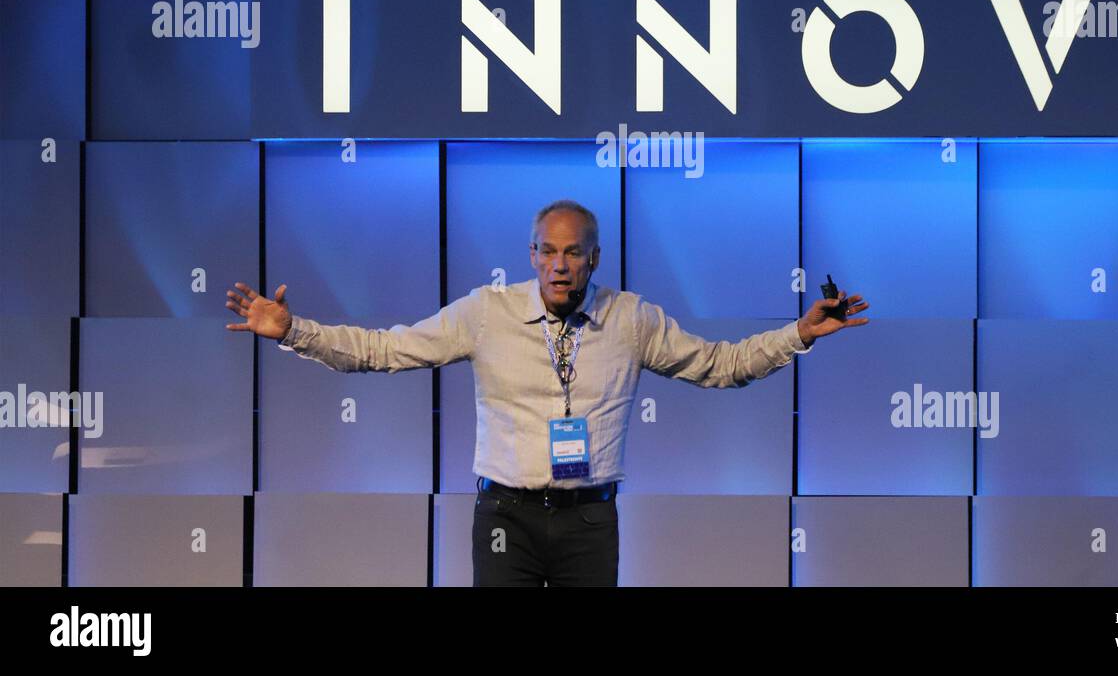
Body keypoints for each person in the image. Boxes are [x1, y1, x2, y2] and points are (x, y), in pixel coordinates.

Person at [225, 199, 868, 586]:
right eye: (548, 252)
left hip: (592, 518)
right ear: (531, 255)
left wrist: (800, 333)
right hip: (505, 515)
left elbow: (721, 364)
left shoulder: (632, 319)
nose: (560, 265)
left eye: (574, 253)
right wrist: (294, 332)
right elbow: (385, 350)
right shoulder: (486, 312)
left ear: (594, 259)